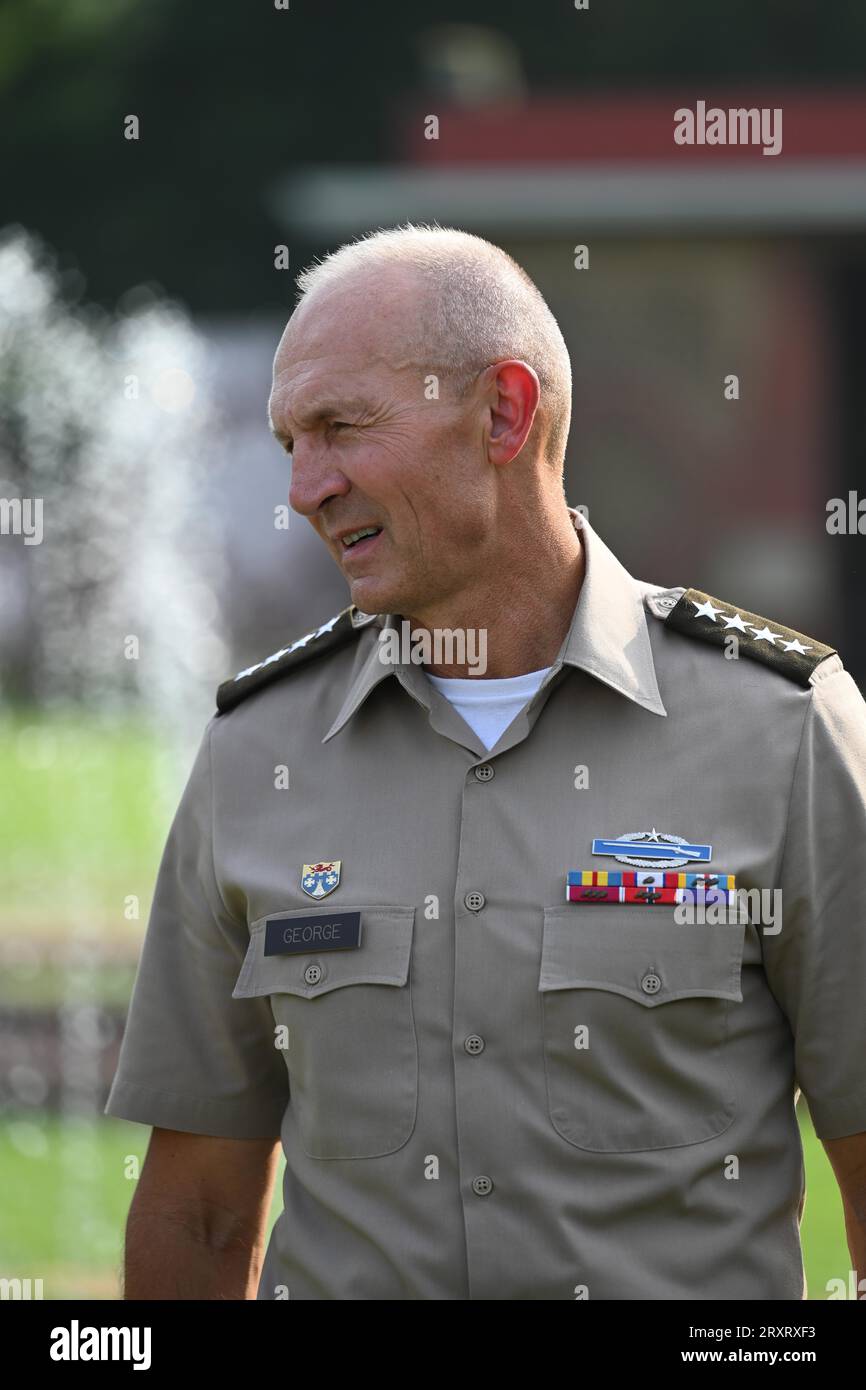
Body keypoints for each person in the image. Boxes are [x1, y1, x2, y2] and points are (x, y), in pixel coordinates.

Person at [105, 223, 866, 1300]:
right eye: (290, 442)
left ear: (503, 413)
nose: (304, 487)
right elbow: (198, 1206)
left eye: (339, 427)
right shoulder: (255, 751)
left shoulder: (782, 728)